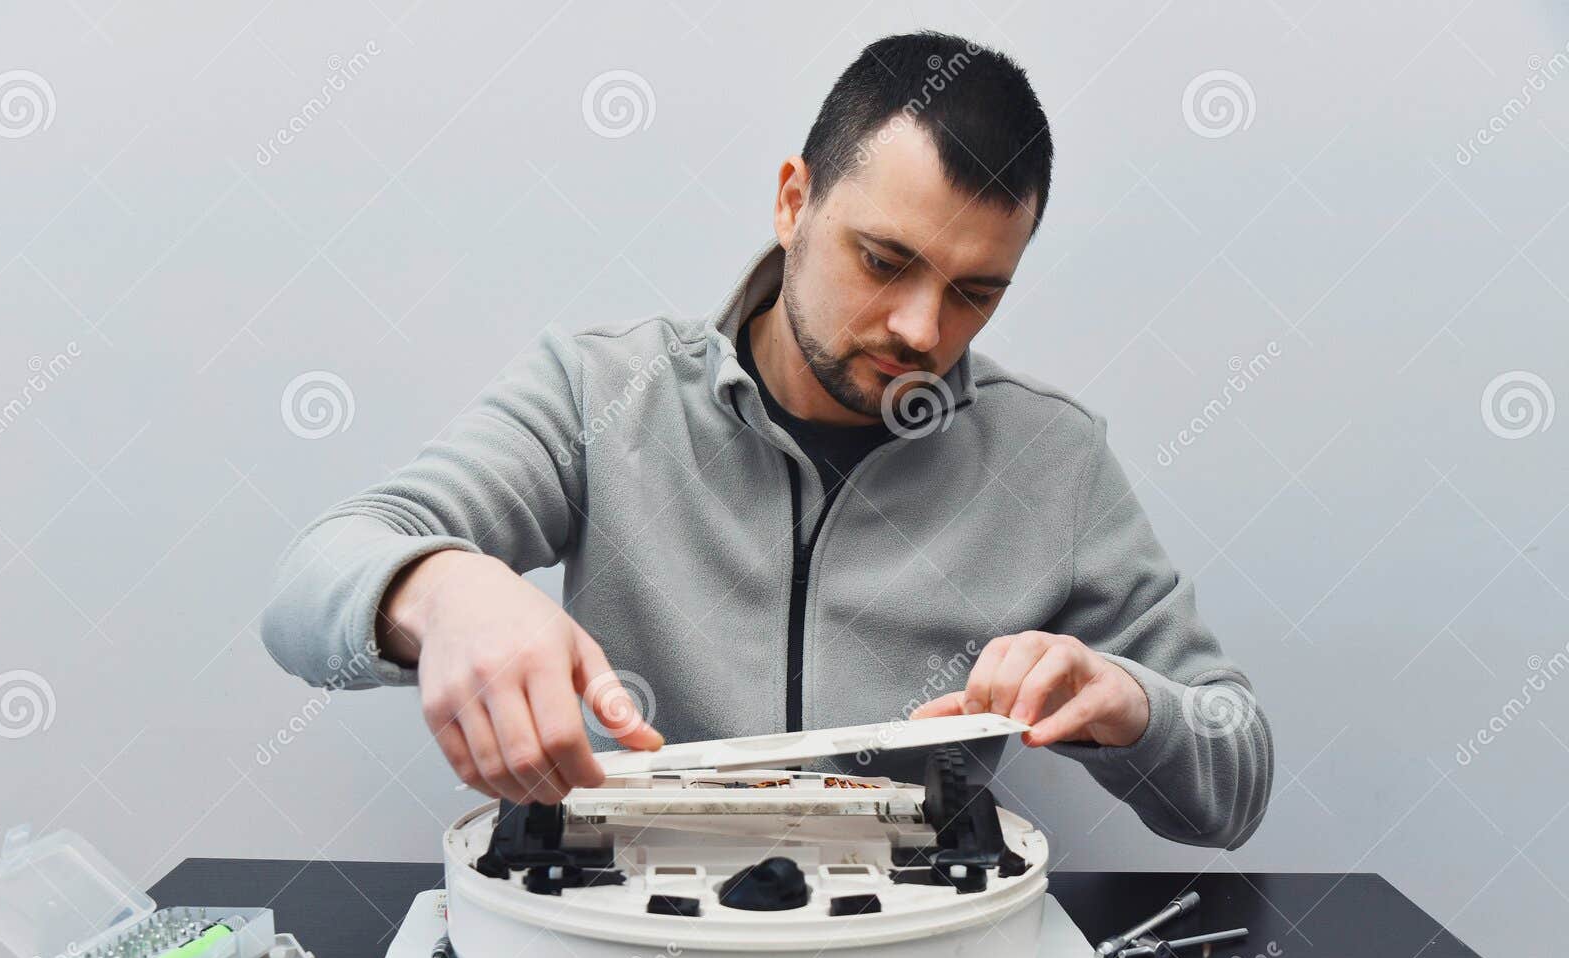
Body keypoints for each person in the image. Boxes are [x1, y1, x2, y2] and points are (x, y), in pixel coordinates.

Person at [261, 30, 1272, 849]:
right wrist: (443, 593)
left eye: (975, 292)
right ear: (794, 202)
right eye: (883, 261)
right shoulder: (599, 393)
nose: (922, 330)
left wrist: (1131, 703)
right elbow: (307, 588)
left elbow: (1233, 785)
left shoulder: (1055, 462)